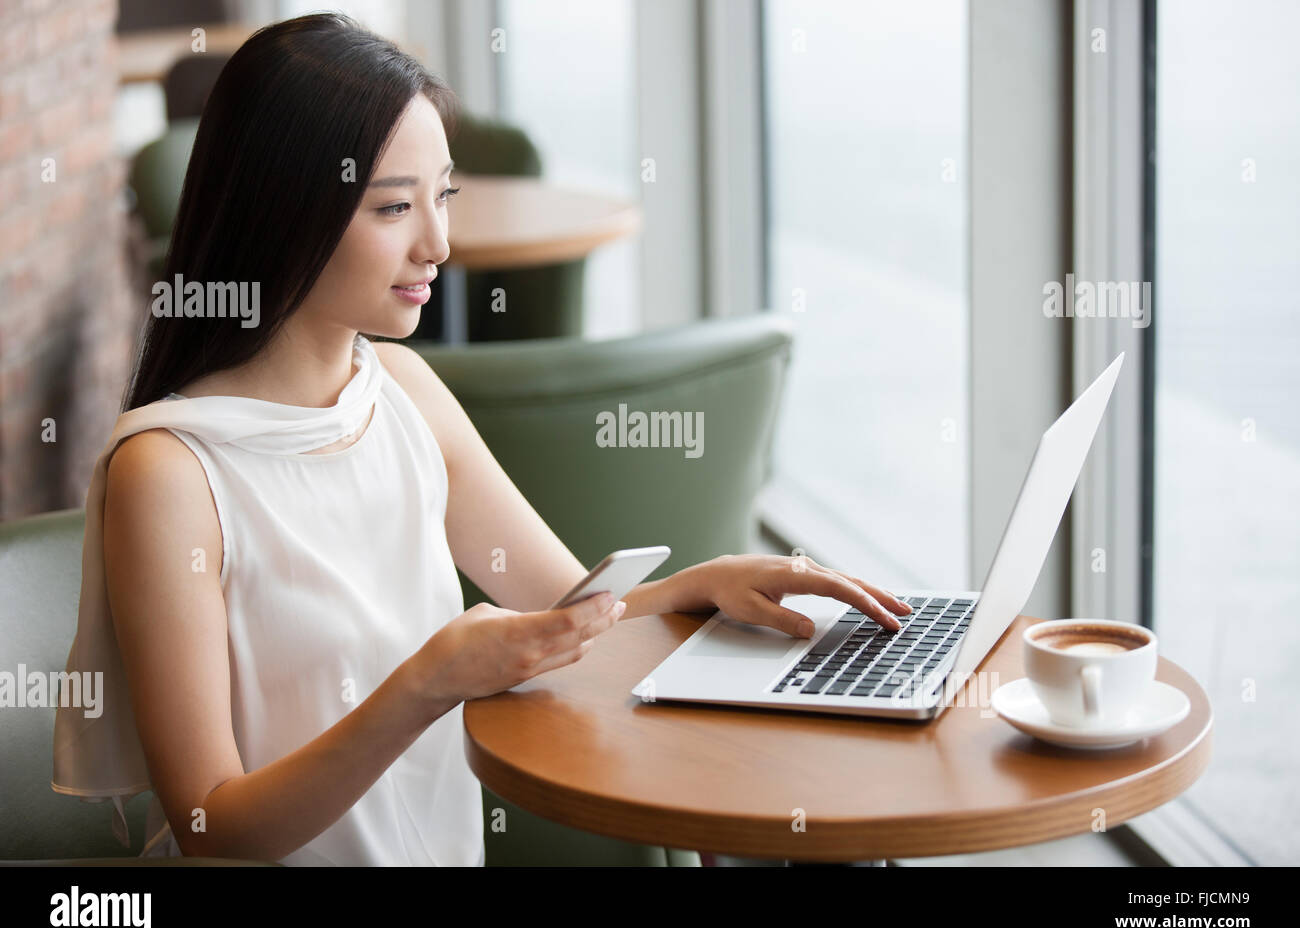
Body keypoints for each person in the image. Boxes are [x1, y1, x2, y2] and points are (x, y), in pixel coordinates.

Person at [52, 13, 909, 866]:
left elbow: (566, 620)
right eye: (394, 207)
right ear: (283, 211)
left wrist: (700, 585)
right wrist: (426, 684)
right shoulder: (170, 475)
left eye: (443, 197)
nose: (439, 244)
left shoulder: (404, 392)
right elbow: (214, 829)